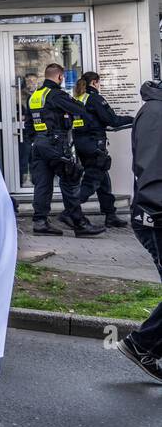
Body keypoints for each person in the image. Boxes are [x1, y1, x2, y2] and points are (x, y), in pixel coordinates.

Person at [26, 63, 103, 237]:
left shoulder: (35, 96)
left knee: (43, 184)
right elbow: (79, 109)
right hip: (56, 143)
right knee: (71, 179)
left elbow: (28, 125)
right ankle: (79, 223)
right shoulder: (56, 95)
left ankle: (40, 223)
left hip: (39, 144)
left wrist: (37, 140)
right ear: (60, 77)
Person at [122, 80, 162, 382]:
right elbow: (151, 172)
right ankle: (142, 344)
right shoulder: (156, 112)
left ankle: (145, 344)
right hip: (156, 217)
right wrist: (155, 213)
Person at [73, 71, 133, 228]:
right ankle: (71, 210)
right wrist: (134, 119)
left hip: (81, 145)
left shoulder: (79, 98)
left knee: (103, 179)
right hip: (94, 145)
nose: (99, 85)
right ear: (94, 82)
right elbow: (112, 120)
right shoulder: (95, 98)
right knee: (92, 180)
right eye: (99, 82)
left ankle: (110, 215)